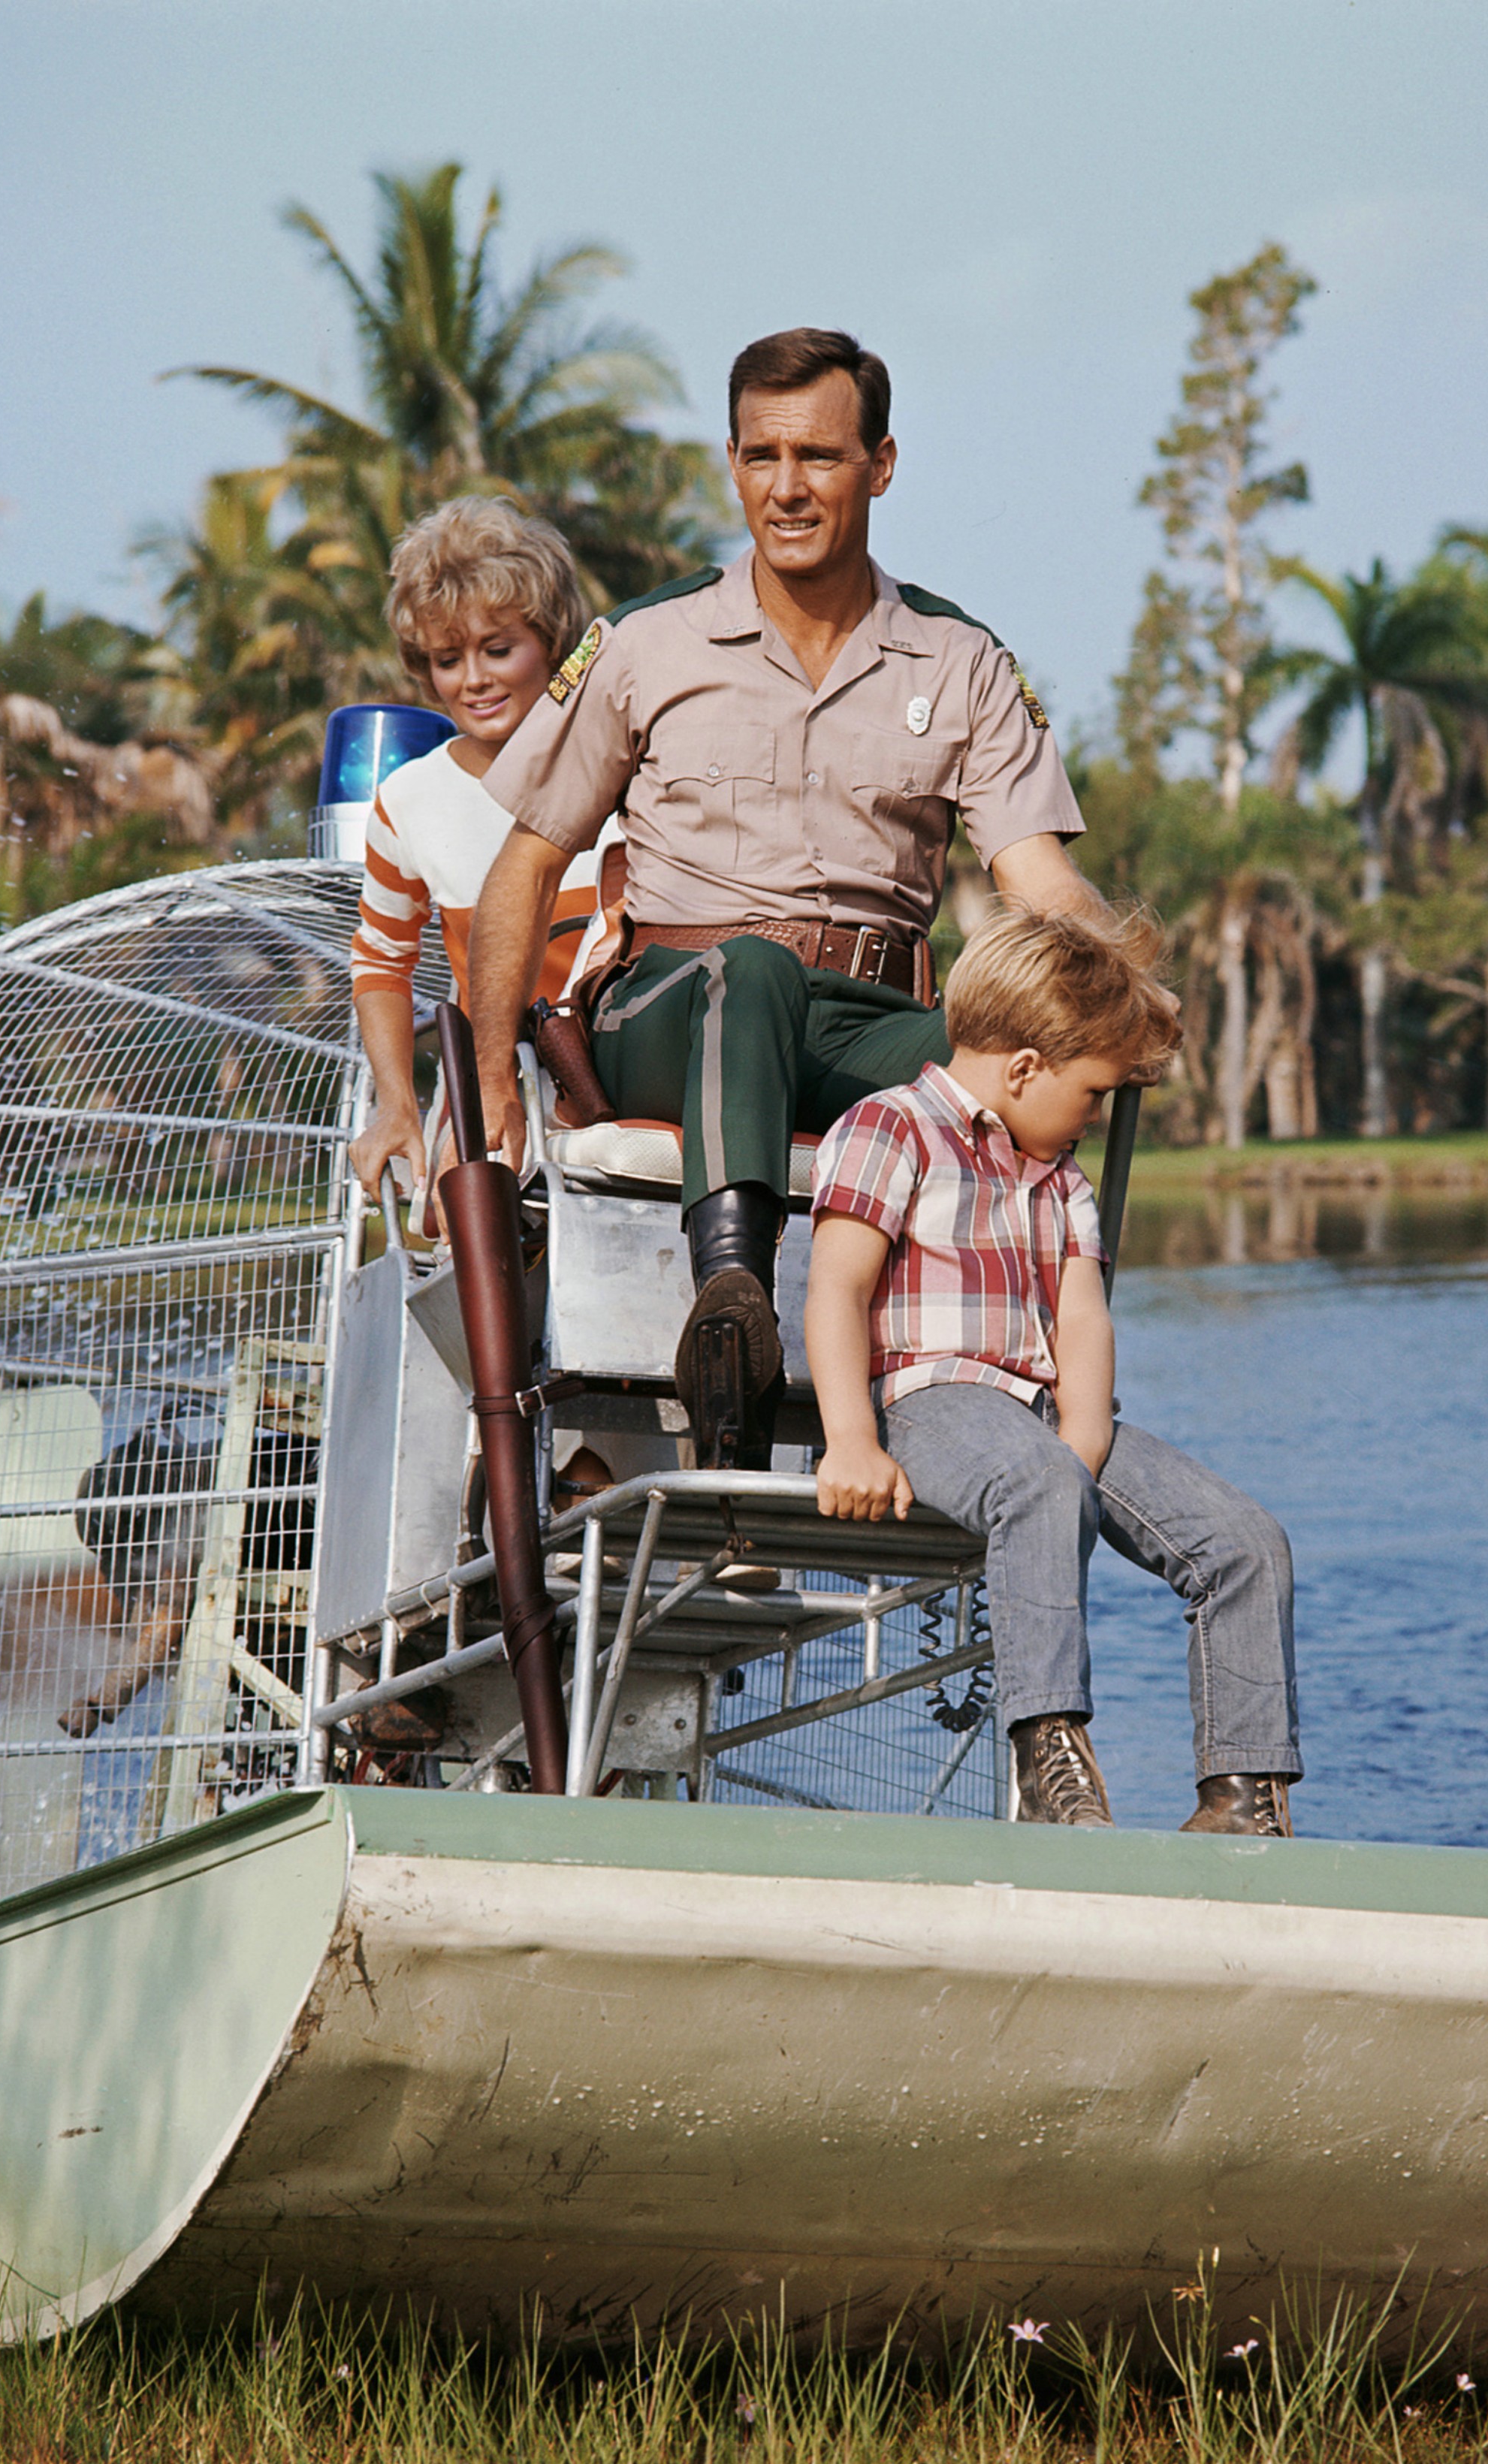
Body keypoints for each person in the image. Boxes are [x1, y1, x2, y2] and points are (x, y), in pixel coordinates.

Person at [464, 326, 1116, 1466]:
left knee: (1011, 1056)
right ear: (731, 462)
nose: (787, 487)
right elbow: (523, 861)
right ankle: (733, 1329)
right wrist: (487, 1083)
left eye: (817, 456)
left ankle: (994, 1403)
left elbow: (1038, 880)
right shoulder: (646, 642)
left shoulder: (956, 661)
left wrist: (1126, 1003)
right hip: (671, 1007)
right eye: (760, 456)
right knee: (752, 974)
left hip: (862, 1024)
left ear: (881, 463)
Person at [802, 904, 1302, 1837]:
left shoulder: (1059, 1178)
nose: (1097, 1115)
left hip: (1041, 1418)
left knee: (1246, 1539)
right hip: (927, 1403)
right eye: (1094, 1092)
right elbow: (834, 1292)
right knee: (1035, 1480)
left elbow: (1081, 1314)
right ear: (1026, 1069)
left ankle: (1243, 1799)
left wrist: (1081, 1443)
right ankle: (1050, 1765)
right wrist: (848, 1441)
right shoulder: (890, 1129)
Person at [346, 497, 610, 1199]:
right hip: (492, 1103)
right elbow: (379, 963)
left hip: (620, 1090)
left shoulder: (622, 767)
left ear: (551, 642)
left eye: (498, 649)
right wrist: (396, 1105)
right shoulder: (408, 801)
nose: (474, 679)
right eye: (447, 659)